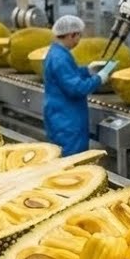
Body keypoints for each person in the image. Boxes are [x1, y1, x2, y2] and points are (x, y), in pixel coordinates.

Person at [42, 15, 116, 155]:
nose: (78, 41)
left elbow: (68, 75)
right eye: (78, 36)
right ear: (71, 35)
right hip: (67, 121)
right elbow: (77, 88)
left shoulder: (56, 53)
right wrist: (99, 78)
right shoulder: (60, 58)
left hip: (59, 116)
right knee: (73, 162)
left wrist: (86, 70)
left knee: (61, 158)